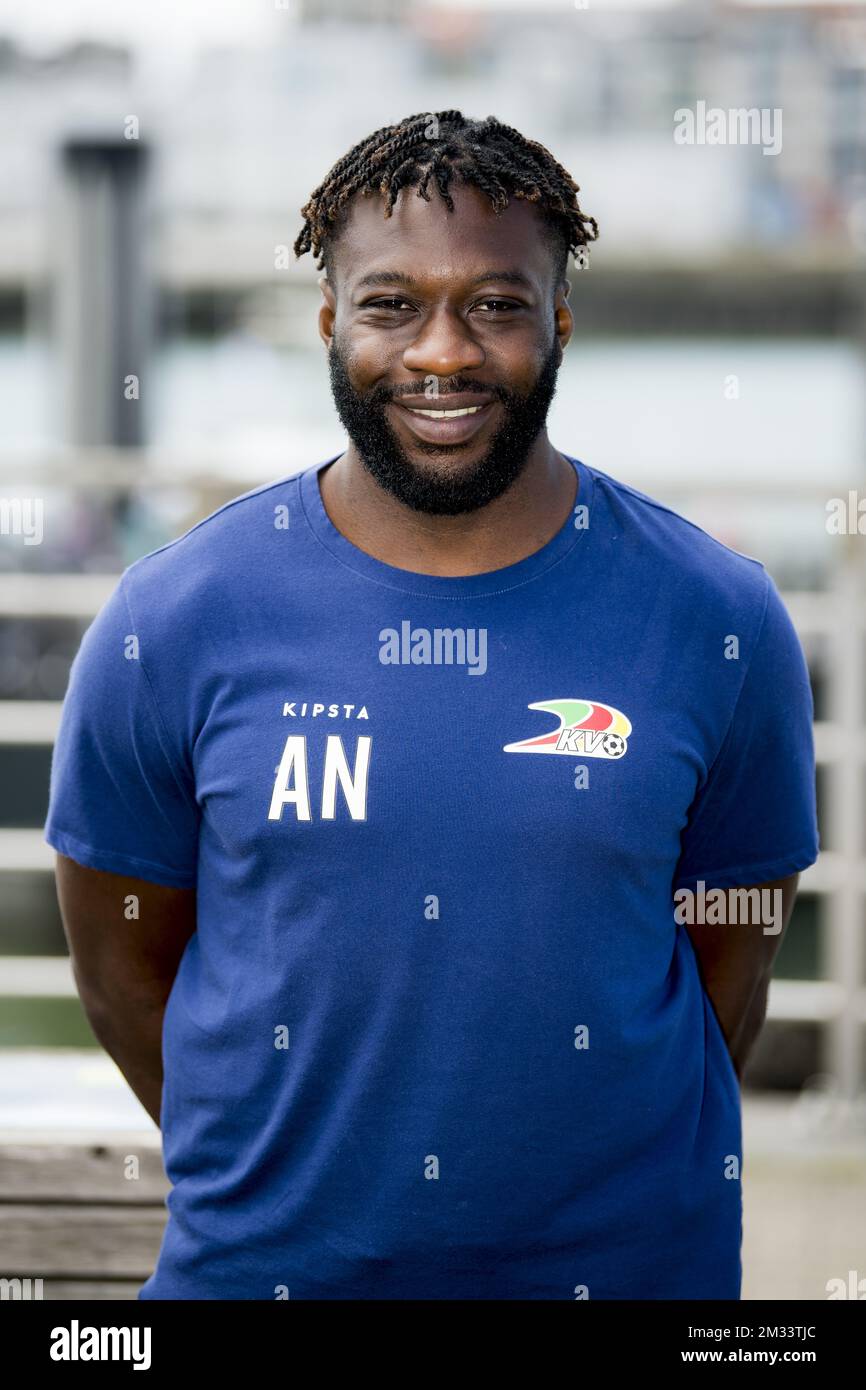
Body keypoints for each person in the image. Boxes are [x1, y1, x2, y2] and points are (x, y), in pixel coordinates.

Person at [45, 111, 819, 1300]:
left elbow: (730, 961)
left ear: (557, 321)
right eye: (391, 303)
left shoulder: (715, 616)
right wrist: (296, 1185)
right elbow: (119, 969)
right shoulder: (175, 617)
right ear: (329, 320)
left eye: (496, 305)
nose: (441, 353)